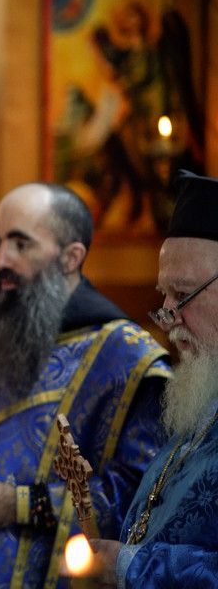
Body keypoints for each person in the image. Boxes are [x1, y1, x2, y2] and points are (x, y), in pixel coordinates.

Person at [0, 182, 171, 588]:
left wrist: (18, 506)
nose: (1, 259)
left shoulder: (125, 358)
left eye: (20, 244)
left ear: (71, 257)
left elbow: (147, 498)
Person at [83, 171, 218, 586]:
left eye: (182, 295)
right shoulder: (197, 404)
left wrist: (128, 567)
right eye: (163, 296)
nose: (168, 318)